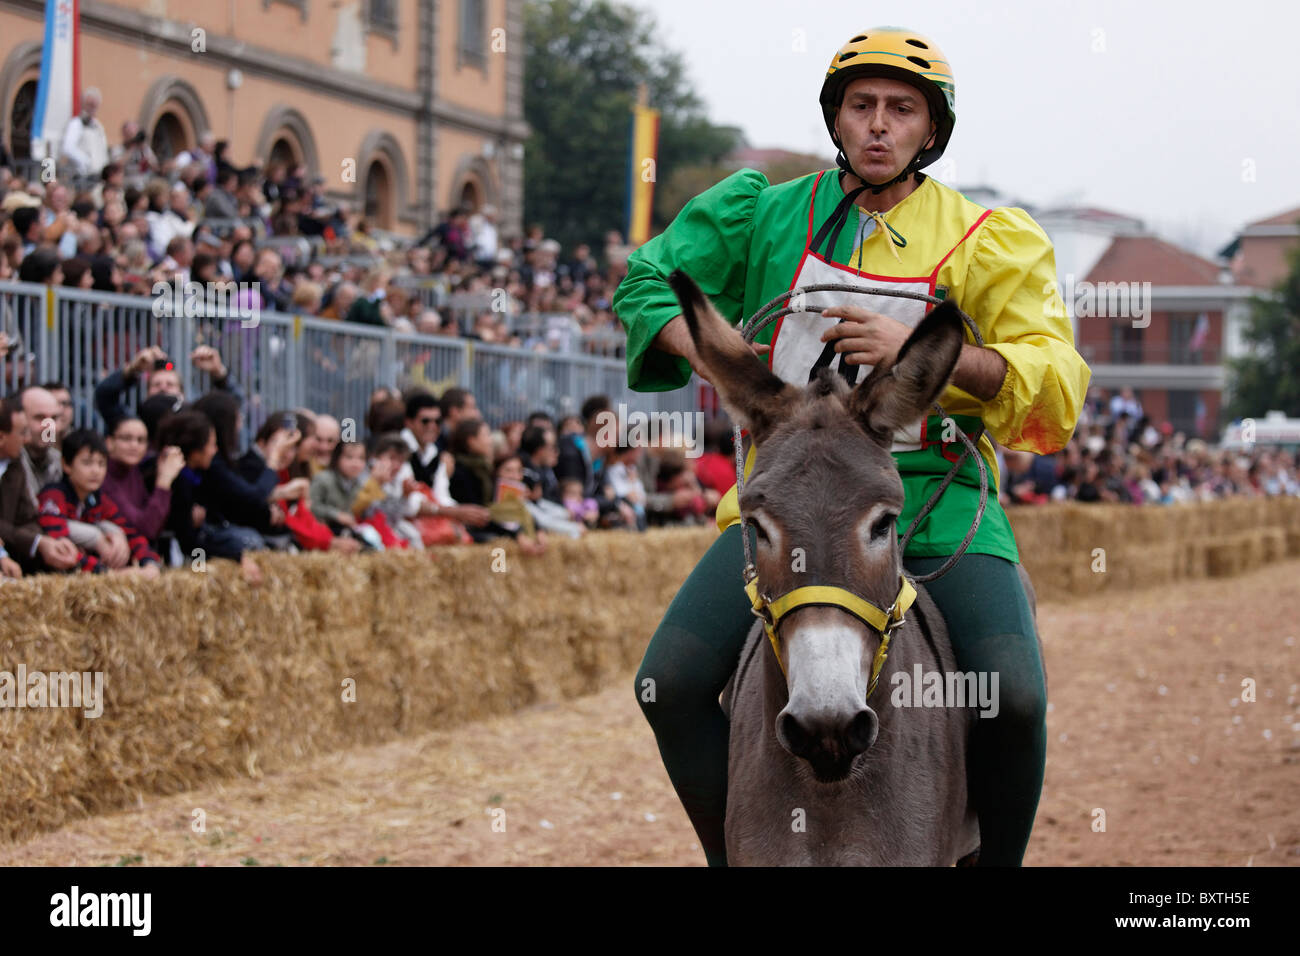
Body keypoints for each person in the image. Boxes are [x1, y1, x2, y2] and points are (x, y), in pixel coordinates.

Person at [612, 27, 1090, 867]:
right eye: (860, 106)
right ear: (836, 119)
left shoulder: (986, 238)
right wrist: (730, 365)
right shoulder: (762, 210)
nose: (878, 125)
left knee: (1012, 697)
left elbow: (1053, 379)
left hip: (935, 499)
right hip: (790, 500)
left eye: (900, 110)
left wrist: (928, 353)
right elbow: (646, 280)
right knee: (672, 684)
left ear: (929, 133)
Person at [36, 429, 162, 576]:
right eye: (87, 463)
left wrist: (149, 563)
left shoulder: (99, 499)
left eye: (101, 464)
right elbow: (58, 546)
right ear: (66, 465)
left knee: (112, 529)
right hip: (56, 575)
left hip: (95, 574)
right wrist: (105, 573)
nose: (96, 471)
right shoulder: (54, 495)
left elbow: (131, 533)